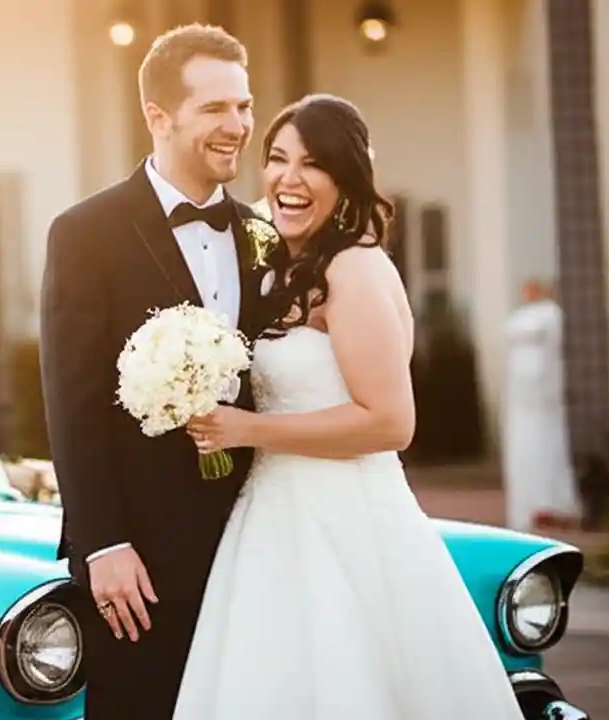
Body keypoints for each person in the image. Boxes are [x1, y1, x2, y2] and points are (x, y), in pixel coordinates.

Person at [174, 94, 523, 717]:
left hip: (347, 526)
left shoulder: (355, 269)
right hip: (271, 521)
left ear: (346, 179)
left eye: (312, 164)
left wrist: (248, 429)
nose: (288, 178)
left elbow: (390, 422)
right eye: (278, 158)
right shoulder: (284, 268)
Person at [39, 24, 269, 719]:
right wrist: (103, 543)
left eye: (244, 106)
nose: (238, 126)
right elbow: (73, 405)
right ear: (158, 117)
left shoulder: (263, 234)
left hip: (259, 543)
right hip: (140, 559)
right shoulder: (85, 233)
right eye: (215, 108)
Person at [502, 278, 582, 530]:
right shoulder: (520, 317)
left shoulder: (550, 314)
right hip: (521, 394)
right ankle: (531, 504)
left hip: (544, 393)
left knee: (548, 446)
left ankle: (553, 502)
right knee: (525, 446)